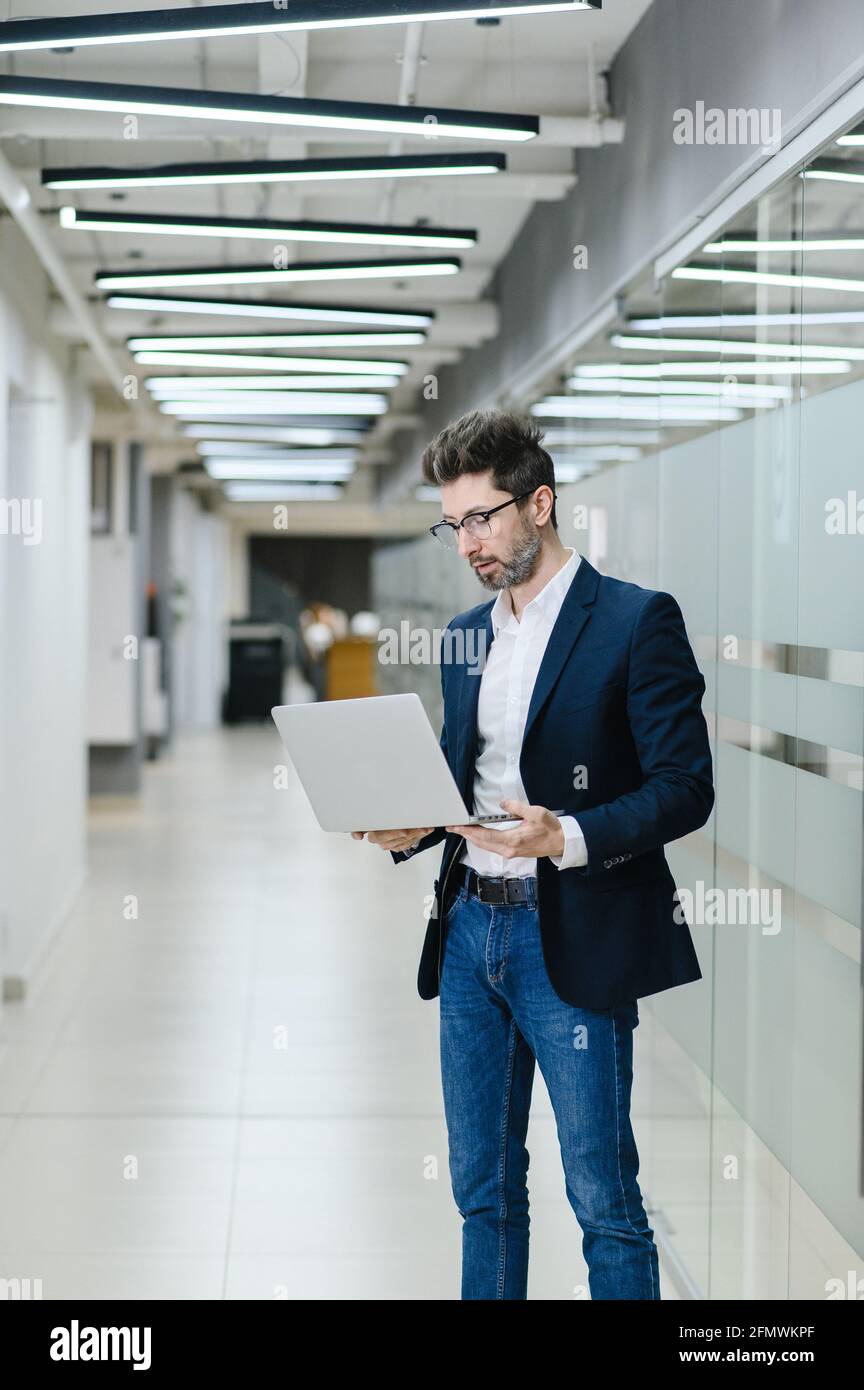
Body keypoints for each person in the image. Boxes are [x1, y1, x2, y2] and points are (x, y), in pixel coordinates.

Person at [353, 409, 714, 1300]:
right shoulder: (466, 635)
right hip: (472, 932)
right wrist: (416, 824)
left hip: (574, 942)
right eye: (454, 525)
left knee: (603, 1199)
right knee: (483, 1194)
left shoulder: (635, 621)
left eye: (483, 518)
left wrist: (572, 836)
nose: (467, 542)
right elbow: (459, 775)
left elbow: (685, 786)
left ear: (540, 503)